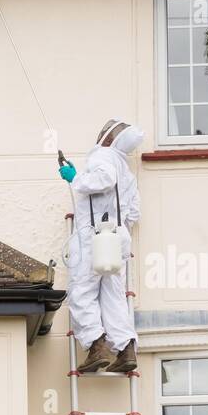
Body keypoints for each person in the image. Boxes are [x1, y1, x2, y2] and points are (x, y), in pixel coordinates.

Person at [59, 118, 144, 373]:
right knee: (113, 297)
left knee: (82, 292)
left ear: (109, 138)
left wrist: (76, 179)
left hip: (93, 236)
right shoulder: (127, 171)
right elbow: (134, 213)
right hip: (117, 238)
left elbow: (103, 179)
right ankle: (126, 348)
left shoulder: (102, 156)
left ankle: (97, 346)